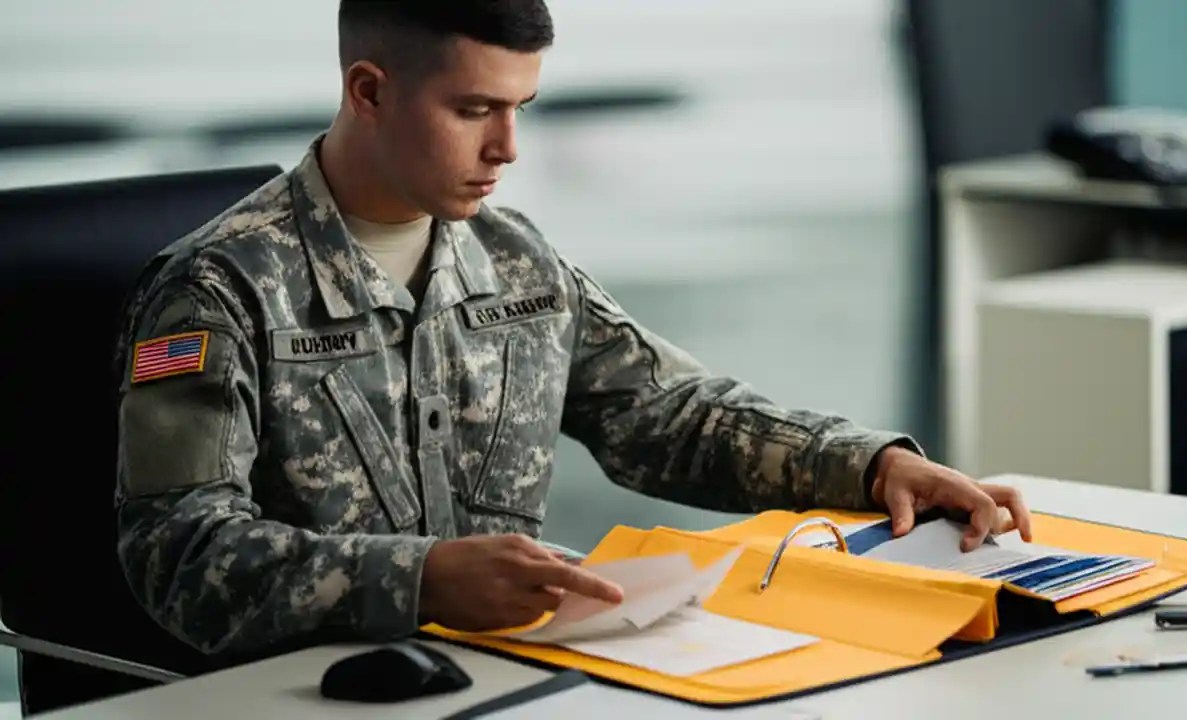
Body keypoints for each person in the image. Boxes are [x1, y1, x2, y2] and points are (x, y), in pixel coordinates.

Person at [113, 0, 1032, 664]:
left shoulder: (513, 258)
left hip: (504, 676)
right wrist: (421, 579)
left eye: (522, 109)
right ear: (369, 91)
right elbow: (181, 553)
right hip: (295, 694)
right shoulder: (221, 289)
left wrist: (870, 465)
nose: (508, 148)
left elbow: (667, 415)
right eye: (475, 110)